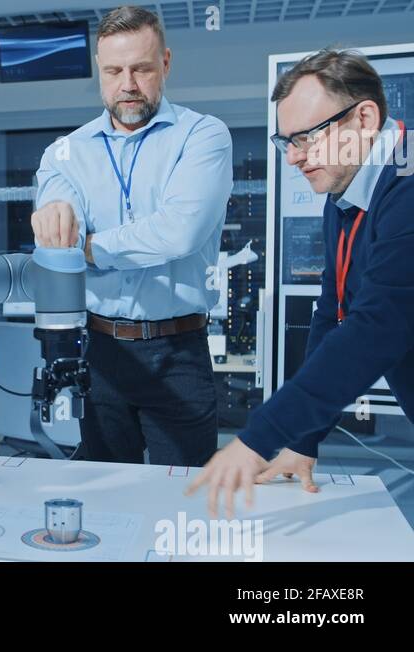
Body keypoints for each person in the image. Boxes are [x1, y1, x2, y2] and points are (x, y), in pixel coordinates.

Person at [187, 49, 413, 517]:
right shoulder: (345, 196)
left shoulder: (409, 185)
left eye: (306, 137)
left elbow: (375, 328)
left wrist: (255, 439)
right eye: (285, 141)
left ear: (365, 117)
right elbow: (332, 316)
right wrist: (302, 441)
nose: (293, 158)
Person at [30, 5, 232, 466]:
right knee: (103, 499)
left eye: (141, 68)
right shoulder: (64, 153)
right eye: (113, 71)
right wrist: (55, 216)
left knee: (183, 503)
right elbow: (59, 212)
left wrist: (91, 249)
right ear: (98, 72)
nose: (127, 84)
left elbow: (179, 231)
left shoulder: (202, 136)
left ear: (165, 62)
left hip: (177, 354)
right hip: (100, 354)